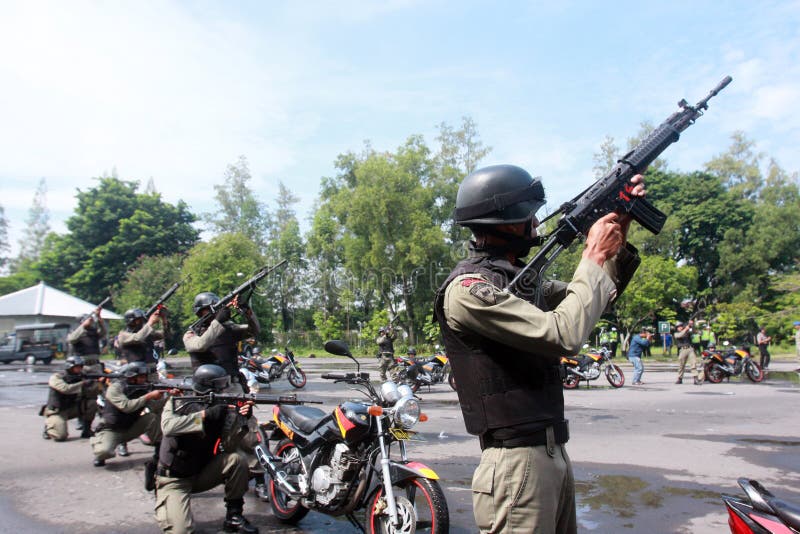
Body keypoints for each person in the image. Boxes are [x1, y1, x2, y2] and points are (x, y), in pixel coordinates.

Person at [434, 164, 644, 533]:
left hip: (551, 454)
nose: (536, 221)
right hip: (516, 464)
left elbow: (590, 300)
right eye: (529, 213)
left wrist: (618, 230)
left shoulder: (520, 284)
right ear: (508, 221)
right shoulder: (468, 290)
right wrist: (592, 256)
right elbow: (563, 334)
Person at [154, 364, 259, 534]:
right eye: (220, 385)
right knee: (181, 531)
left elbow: (229, 445)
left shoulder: (219, 408)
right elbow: (168, 427)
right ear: (207, 388)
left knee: (237, 460)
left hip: (201, 472)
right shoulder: (178, 402)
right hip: (174, 480)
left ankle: (234, 515)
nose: (225, 389)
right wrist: (204, 416)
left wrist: (242, 417)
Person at [90, 362, 171, 469]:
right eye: (141, 377)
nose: (144, 379)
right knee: (104, 452)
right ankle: (99, 449)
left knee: (151, 417)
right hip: (112, 429)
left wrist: (169, 396)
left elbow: (154, 407)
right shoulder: (115, 388)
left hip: (131, 427)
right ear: (131, 377)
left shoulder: (142, 388)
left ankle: (159, 451)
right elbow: (127, 406)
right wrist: (148, 396)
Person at [183, 292, 260, 391]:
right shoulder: (191, 334)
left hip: (232, 385)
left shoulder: (228, 328)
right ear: (200, 312)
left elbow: (254, 331)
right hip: (206, 389)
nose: (215, 312)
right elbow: (200, 345)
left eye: (217, 309)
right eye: (210, 309)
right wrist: (218, 322)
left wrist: (247, 311)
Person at [66, 308, 106, 433]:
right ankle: (81, 419)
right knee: (82, 394)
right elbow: (71, 339)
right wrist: (83, 326)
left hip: (95, 366)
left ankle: (95, 418)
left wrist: (99, 319)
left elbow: (103, 333)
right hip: (83, 366)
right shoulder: (77, 332)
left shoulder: (93, 332)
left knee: (98, 392)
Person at [42, 355, 99, 440]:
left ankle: (87, 430)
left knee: (92, 403)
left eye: (80, 367)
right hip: (57, 411)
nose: (79, 369)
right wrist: (83, 384)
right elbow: (65, 389)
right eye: (77, 367)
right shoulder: (56, 377)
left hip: (71, 408)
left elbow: (92, 394)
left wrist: (95, 384)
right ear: (70, 367)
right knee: (60, 436)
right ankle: (49, 427)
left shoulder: (81, 376)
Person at [117, 308, 164, 376]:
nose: (141, 322)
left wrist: (164, 320)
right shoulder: (123, 335)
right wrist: (150, 323)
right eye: (138, 320)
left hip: (151, 371)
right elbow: (137, 338)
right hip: (135, 373)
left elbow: (165, 335)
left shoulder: (146, 332)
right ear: (131, 321)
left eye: (141, 320)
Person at [674, 320, 703, 385]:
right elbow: (679, 335)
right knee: (681, 365)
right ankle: (680, 378)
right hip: (682, 350)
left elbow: (694, 331)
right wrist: (685, 329)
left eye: (681, 326)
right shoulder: (676, 333)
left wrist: (691, 325)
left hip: (690, 349)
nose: (680, 327)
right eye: (678, 327)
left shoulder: (687, 331)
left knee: (693, 364)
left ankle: (696, 379)